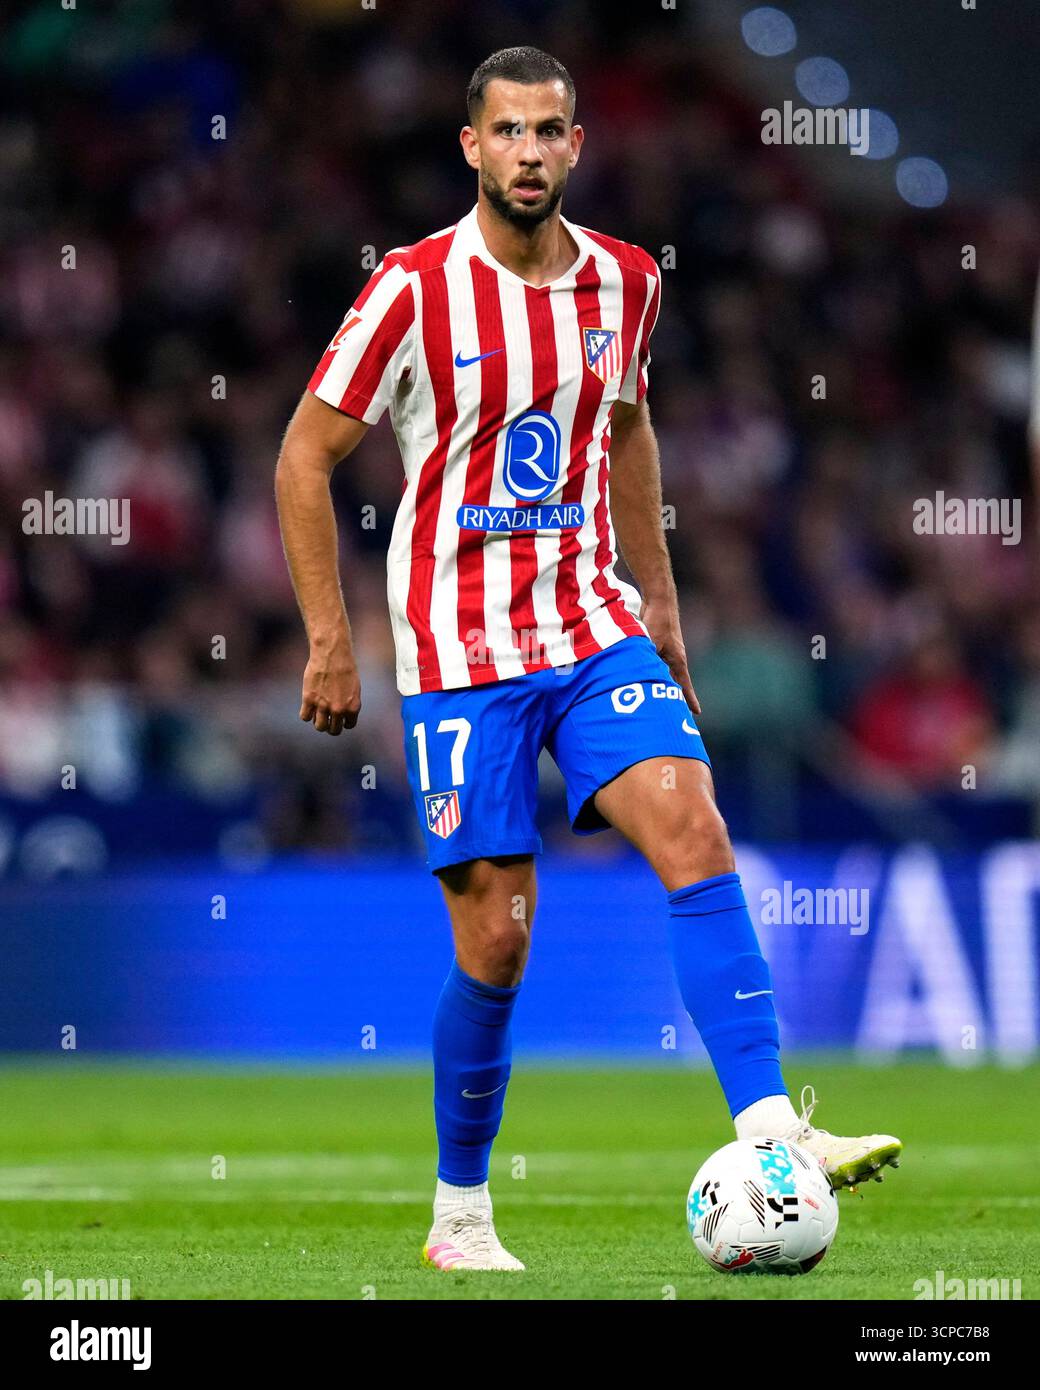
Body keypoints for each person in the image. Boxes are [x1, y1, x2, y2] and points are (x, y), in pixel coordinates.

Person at [275, 46, 901, 1273]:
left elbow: (625, 427)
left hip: (587, 625)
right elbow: (304, 459)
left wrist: (658, 604)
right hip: (458, 652)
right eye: (504, 131)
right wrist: (331, 638)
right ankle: (460, 1214)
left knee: (694, 829)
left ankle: (774, 1130)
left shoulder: (624, 281)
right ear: (470, 147)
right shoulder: (410, 290)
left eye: (547, 130)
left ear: (575, 145)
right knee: (497, 938)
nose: (526, 151)